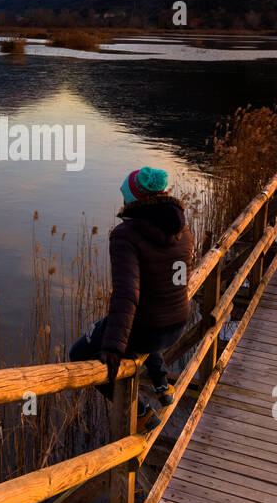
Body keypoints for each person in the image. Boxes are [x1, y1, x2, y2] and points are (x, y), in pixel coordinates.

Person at [69, 166, 194, 431]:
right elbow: (179, 281)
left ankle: (141, 412)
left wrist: (113, 347)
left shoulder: (125, 235)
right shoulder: (184, 230)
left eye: (124, 195)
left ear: (133, 200)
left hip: (149, 330)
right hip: (178, 324)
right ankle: (162, 384)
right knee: (144, 322)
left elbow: (127, 294)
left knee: (79, 354)